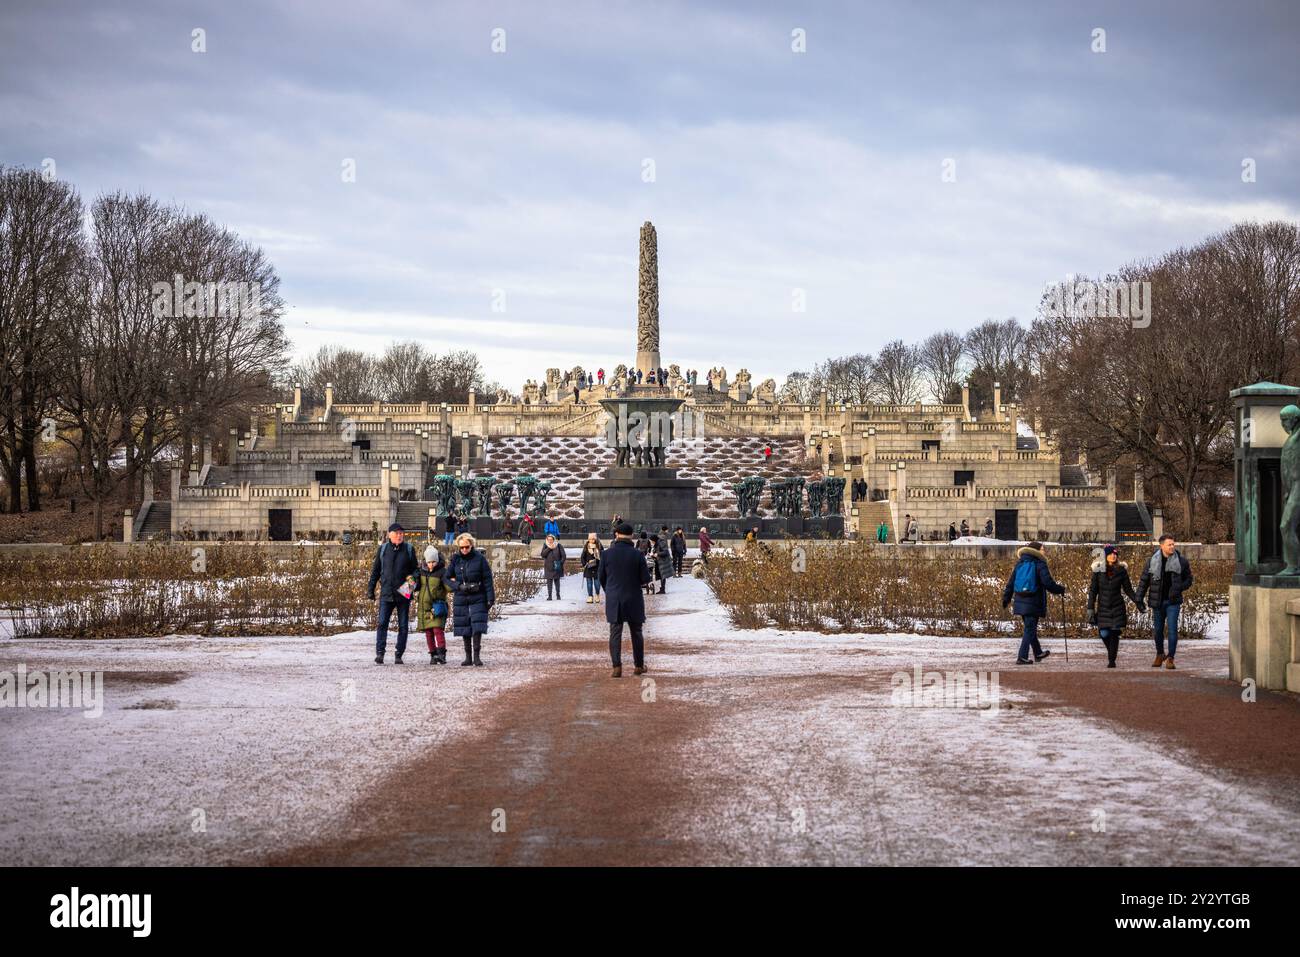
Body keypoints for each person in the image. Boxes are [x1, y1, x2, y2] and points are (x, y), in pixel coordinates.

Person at [599, 521, 652, 677]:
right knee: (636, 632)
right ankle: (638, 666)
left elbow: (601, 577)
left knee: (615, 632)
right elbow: (645, 579)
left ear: (616, 535)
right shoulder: (638, 554)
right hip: (634, 598)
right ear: (632, 536)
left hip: (614, 598)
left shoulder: (606, 554)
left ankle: (617, 667)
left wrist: (610, 590)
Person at [1002, 540, 1067, 665]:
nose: (1044, 551)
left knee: (1029, 628)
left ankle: (1037, 652)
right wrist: (1060, 589)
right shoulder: (1039, 563)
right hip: (1033, 601)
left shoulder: (1020, 563)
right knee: (1030, 629)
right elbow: (1048, 583)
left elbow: (1010, 583)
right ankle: (1022, 656)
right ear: (1037, 551)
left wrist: (1006, 598)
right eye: (1042, 549)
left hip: (1020, 601)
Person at [1135, 533, 1194, 670]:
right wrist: (1139, 598)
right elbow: (1144, 581)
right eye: (1169, 544)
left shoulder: (1182, 561)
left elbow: (1189, 580)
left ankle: (1171, 658)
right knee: (1158, 631)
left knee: (1172, 630)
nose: (1172, 546)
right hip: (1157, 602)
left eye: (1173, 544)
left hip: (1173, 602)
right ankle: (1160, 654)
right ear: (1161, 546)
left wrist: (1179, 587)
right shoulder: (1151, 561)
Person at [367, 522, 420, 665]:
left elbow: (416, 571)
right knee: (382, 623)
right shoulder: (383, 549)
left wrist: (410, 585)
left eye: (401, 533)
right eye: (397, 533)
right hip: (386, 593)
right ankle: (380, 653)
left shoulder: (409, 549)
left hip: (404, 593)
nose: (400, 535)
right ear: (389, 535)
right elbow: (376, 571)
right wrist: (370, 589)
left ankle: (399, 654)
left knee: (403, 625)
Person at [444, 532, 495, 666]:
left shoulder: (480, 559)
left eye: (467, 547)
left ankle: (477, 656)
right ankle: (468, 657)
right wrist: (458, 586)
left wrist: (490, 598)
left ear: (471, 545)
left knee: (477, 626)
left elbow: (487, 579)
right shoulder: (455, 559)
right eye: (462, 547)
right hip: (461, 595)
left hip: (478, 595)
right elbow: (446, 577)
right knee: (464, 626)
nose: (464, 550)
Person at [1087, 544, 1139, 668]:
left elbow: (1128, 590)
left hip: (1117, 607)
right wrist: (1090, 608)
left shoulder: (1121, 571)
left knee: (1114, 633)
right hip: (1103, 607)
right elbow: (1093, 591)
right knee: (1104, 633)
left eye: (1115, 554)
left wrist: (1138, 601)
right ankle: (1112, 653)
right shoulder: (1098, 571)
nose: (1113, 556)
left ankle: (1111, 660)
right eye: (1110, 554)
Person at [416, 545, 451, 664]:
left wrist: (454, 582)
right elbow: (412, 586)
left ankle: (441, 653)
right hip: (424, 608)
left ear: (437, 561)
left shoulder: (442, 572)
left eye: (433, 562)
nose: (431, 564)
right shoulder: (421, 572)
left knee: (438, 630)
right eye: (429, 562)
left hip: (437, 607)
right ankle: (433, 654)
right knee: (428, 633)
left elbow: (449, 587)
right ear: (425, 561)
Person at [541, 533, 567, 600]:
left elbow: (563, 556)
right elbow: (543, 555)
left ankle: (558, 595)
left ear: (553, 539)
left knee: (557, 581)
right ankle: (550, 596)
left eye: (551, 539)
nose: (550, 541)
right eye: (548, 539)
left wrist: (560, 563)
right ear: (547, 540)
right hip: (548, 567)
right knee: (549, 582)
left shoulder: (558, 545)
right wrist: (549, 548)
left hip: (556, 566)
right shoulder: (545, 546)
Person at [581, 533, 603, 603]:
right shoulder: (586, 546)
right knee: (589, 583)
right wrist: (585, 564)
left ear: (595, 539)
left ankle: (597, 595)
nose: (591, 540)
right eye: (590, 539)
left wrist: (599, 562)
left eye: (593, 539)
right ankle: (590, 596)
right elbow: (582, 557)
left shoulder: (599, 546)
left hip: (597, 567)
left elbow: (602, 556)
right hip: (588, 568)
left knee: (597, 583)